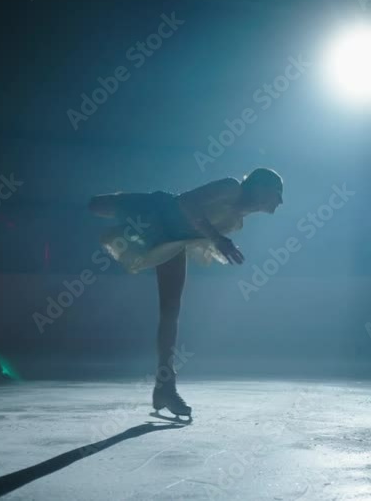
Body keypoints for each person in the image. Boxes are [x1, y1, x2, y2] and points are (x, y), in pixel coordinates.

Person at [87, 168, 284, 418]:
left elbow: (196, 234)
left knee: (170, 313)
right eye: (278, 193)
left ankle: (165, 386)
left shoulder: (237, 220)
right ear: (261, 188)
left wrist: (217, 241)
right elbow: (186, 203)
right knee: (95, 205)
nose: (281, 201)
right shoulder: (231, 187)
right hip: (156, 209)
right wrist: (218, 239)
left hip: (171, 240)